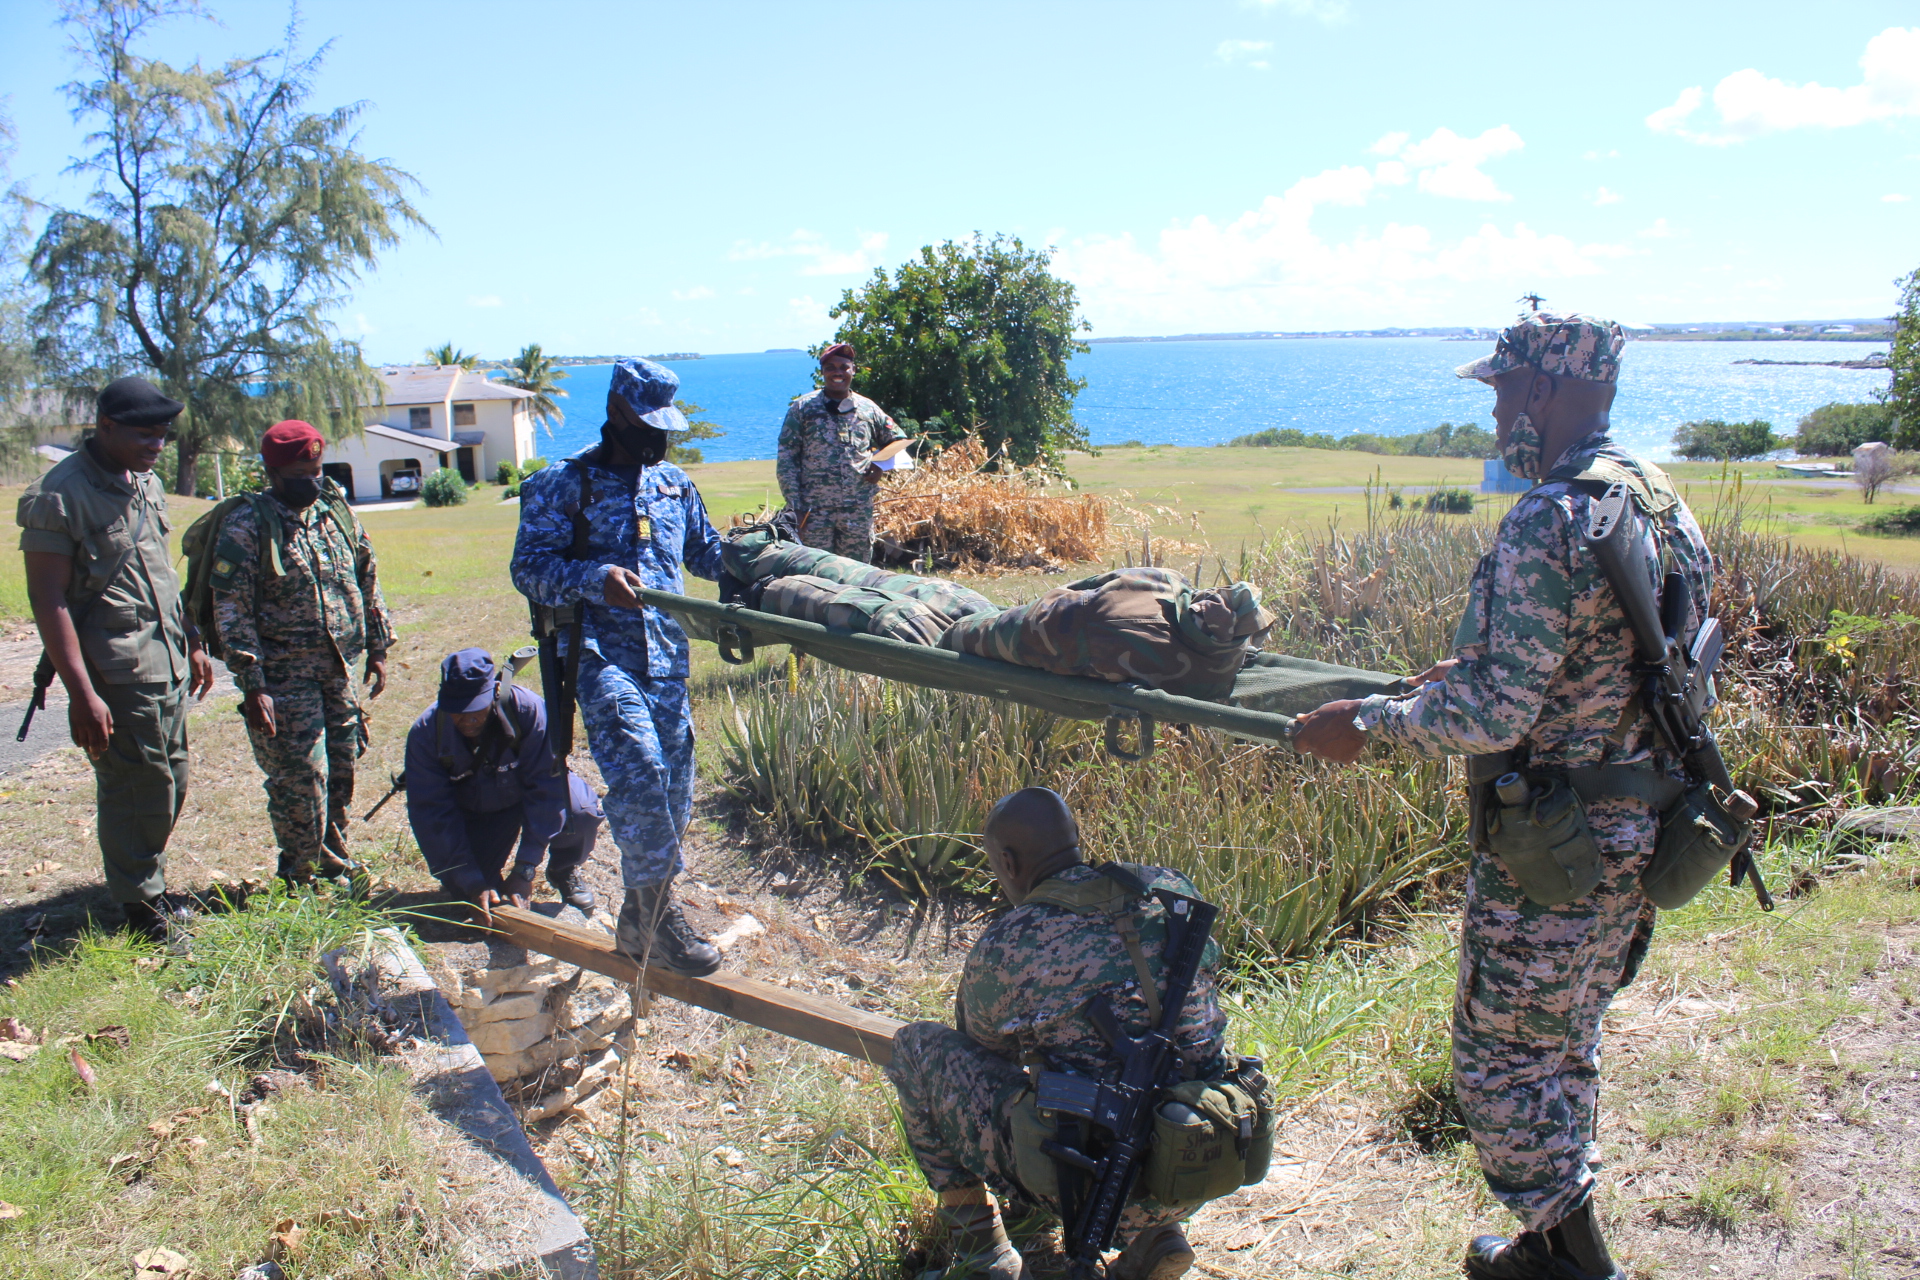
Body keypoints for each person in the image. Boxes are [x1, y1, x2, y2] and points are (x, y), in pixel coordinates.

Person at [1293, 312, 1713, 1280]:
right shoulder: (1661, 505)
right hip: (1638, 842)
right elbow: (1667, 673)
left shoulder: (1547, 519)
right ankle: (1545, 1250)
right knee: (1565, 1046)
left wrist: (1364, 722)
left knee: (1497, 1064)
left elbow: (1491, 713)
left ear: (1545, 391)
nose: (1493, 416)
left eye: (1500, 392)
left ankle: (1576, 1261)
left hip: (1551, 859)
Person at [885, 787, 1262, 1280]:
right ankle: (1158, 1235)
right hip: (1197, 1156)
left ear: (1008, 861)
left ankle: (981, 1253)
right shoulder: (1170, 888)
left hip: (1088, 1178)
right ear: (1076, 839)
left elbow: (980, 1049)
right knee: (1164, 1066)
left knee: (917, 1048)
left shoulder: (1013, 941)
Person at [511, 357, 727, 976]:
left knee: (674, 791)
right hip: (598, 655)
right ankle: (662, 920)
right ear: (616, 413)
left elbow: (706, 554)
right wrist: (592, 578)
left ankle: (636, 918)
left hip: (666, 656)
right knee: (638, 769)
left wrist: (761, 550)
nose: (657, 439)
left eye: (665, 426)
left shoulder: (673, 485)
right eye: (646, 423)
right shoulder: (562, 484)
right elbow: (529, 569)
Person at [15, 377, 216, 940]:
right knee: (137, 788)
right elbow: (47, 598)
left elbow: (161, 573)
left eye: (163, 435)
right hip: (115, 671)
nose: (157, 444)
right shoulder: (61, 495)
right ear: (105, 426)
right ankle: (143, 911)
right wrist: (82, 693)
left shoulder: (142, 481)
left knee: (169, 781)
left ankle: (142, 885)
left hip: (165, 659)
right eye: (144, 434)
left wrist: (194, 641)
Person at [209, 419, 392, 889]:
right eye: (299, 476)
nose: (311, 482)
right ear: (273, 474)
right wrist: (254, 684)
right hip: (285, 677)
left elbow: (365, 577)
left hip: (338, 670)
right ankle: (300, 873)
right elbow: (232, 608)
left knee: (342, 766)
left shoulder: (335, 511)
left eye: (316, 470)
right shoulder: (248, 525)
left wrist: (377, 646)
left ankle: (333, 858)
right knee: (301, 779)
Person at [403, 648, 603, 917]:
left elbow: (547, 787)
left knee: (580, 811)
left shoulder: (529, 710)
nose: (468, 719)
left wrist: (525, 867)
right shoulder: (426, 734)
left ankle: (563, 870)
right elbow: (432, 814)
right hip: (480, 810)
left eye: (477, 709)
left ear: (495, 693)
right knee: (470, 894)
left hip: (526, 794)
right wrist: (471, 879)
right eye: (458, 712)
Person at [775, 342, 904, 562]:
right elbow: (787, 458)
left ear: (853, 370)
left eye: (844, 367)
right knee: (815, 572)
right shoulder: (803, 408)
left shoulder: (868, 409)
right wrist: (795, 507)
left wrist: (879, 465)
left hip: (857, 510)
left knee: (857, 573)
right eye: (831, 367)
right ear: (823, 372)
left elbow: (898, 440)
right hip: (814, 511)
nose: (837, 372)